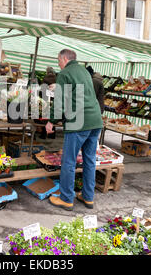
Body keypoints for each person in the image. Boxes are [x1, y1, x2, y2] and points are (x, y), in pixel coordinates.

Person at [45, 49, 103, 210]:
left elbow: (60, 101)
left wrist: (51, 121)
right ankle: (87, 196)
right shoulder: (84, 71)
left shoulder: (64, 73)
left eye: (58, 60)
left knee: (68, 161)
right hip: (95, 120)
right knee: (89, 160)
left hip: (79, 122)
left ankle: (66, 198)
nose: (58, 63)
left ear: (64, 59)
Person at [38, 66, 57, 139]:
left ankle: (43, 135)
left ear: (47, 72)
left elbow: (42, 88)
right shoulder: (57, 78)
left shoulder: (45, 78)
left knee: (45, 118)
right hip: (54, 100)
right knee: (53, 117)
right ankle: (52, 135)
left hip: (46, 99)